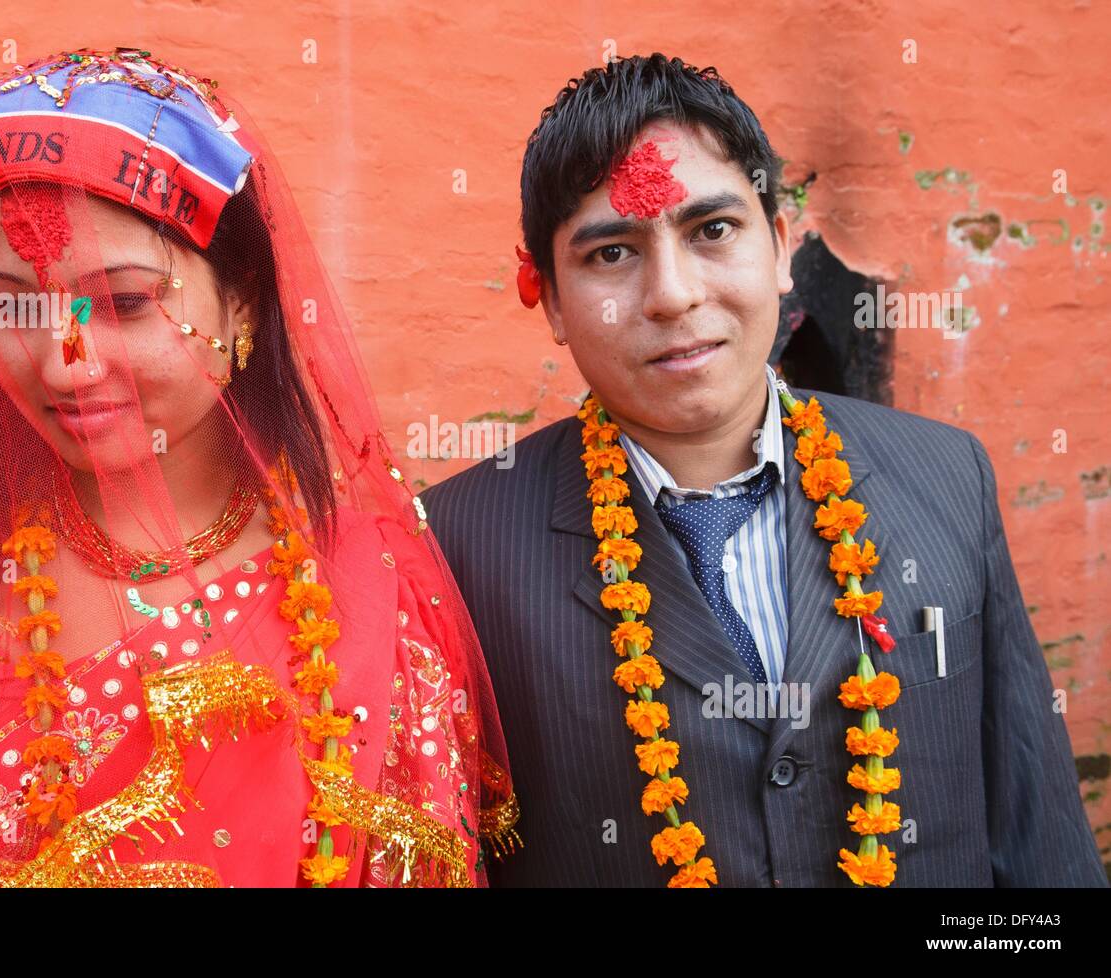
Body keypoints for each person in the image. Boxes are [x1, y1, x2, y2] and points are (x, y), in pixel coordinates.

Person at [0, 46, 517, 887]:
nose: (64, 363)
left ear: (245, 300)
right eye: (12, 304)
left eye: (125, 303)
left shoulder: (377, 589)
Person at [421, 53, 1105, 887]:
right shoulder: (460, 549)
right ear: (553, 300)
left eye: (712, 231)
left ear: (781, 245)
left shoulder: (946, 479)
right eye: (611, 254)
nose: (672, 295)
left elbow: (1039, 844)